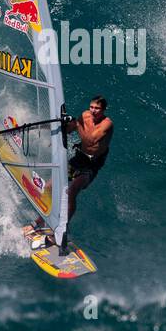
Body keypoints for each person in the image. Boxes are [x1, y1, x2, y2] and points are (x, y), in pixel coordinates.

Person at [59, 95, 112, 246]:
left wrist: (76, 124)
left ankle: (64, 228)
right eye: (92, 107)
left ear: (103, 110)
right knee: (51, 186)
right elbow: (69, 131)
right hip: (78, 158)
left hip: (91, 165)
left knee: (72, 191)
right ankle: (39, 221)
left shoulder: (107, 124)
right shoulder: (85, 115)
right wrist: (65, 124)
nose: (94, 111)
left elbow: (90, 139)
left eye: (97, 108)